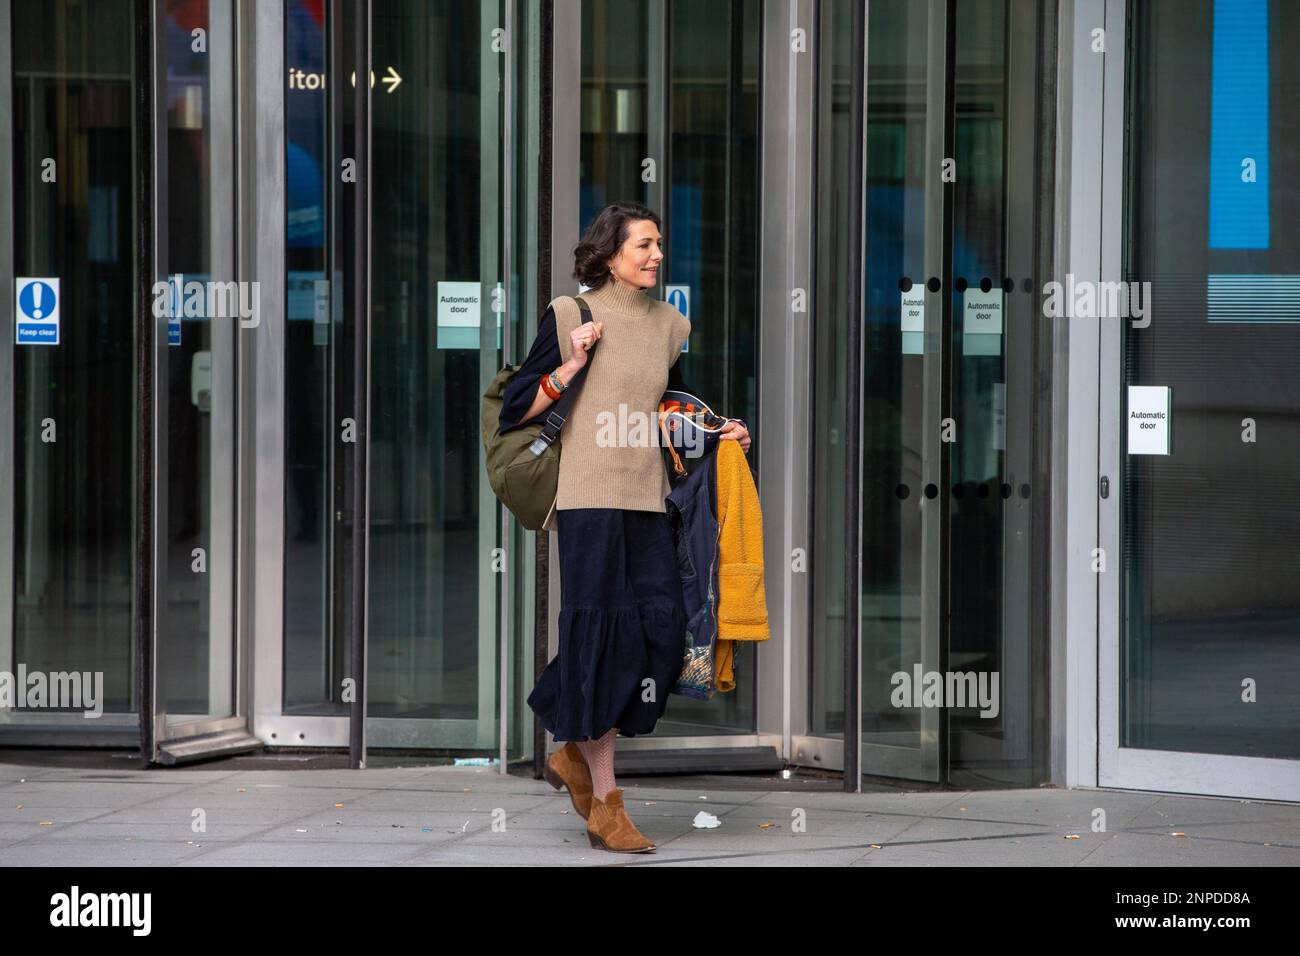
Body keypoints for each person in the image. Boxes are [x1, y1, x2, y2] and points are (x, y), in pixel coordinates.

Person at [497, 201, 749, 852]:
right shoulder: (571, 315)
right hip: (587, 498)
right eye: (643, 245)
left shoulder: (671, 323)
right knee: (602, 634)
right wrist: (571, 368)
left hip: (647, 500)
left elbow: (672, 403)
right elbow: (517, 408)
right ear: (609, 254)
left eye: (659, 243)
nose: (656, 254)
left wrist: (721, 432)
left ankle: (570, 747)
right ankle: (606, 800)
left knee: (663, 633)